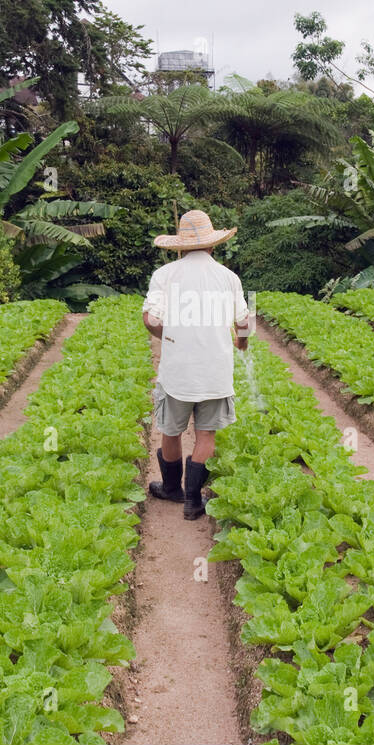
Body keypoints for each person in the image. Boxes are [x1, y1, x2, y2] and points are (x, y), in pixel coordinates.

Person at [141, 209, 250, 519]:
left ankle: (172, 489)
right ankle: (193, 502)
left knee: (171, 430)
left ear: (180, 246)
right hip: (215, 371)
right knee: (206, 435)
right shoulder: (229, 278)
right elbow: (244, 323)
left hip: (177, 372)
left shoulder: (165, 275)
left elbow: (150, 319)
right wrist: (241, 343)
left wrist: (170, 334)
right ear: (213, 245)